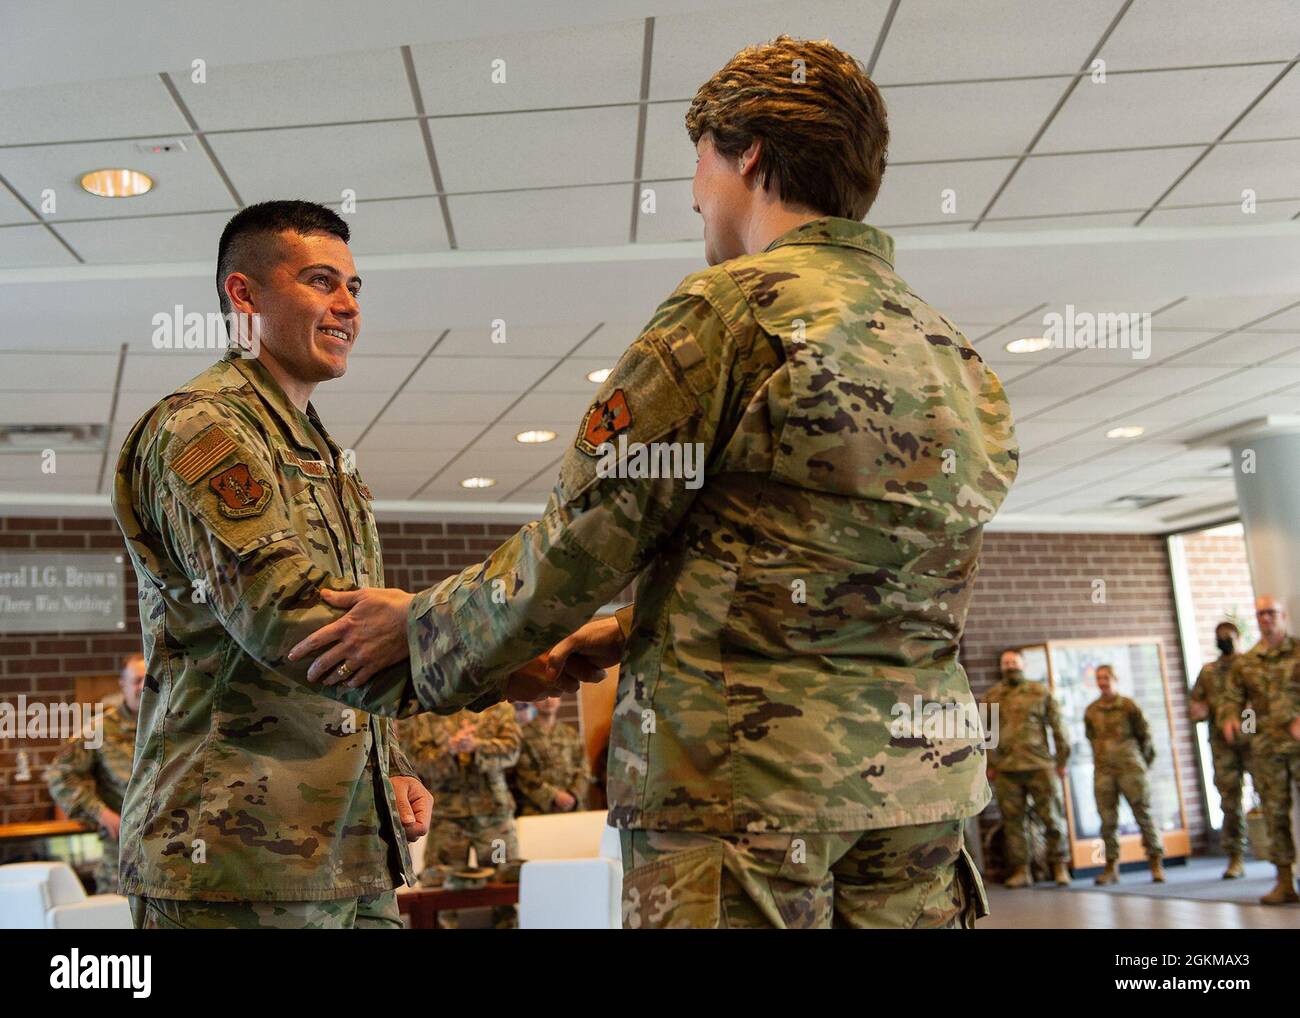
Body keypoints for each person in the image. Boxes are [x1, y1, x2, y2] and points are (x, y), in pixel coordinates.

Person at [289, 36, 1019, 929]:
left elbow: (584, 538)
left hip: (741, 788)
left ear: (746, 154)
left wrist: (424, 624)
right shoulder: (951, 351)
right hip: (922, 791)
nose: (695, 194)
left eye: (702, 162)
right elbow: (864, 579)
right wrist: (641, 628)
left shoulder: (727, 312)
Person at [113, 200, 464, 929]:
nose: (347, 307)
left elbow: (353, 624)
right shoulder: (204, 427)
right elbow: (292, 622)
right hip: (234, 864)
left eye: (354, 288)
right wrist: (503, 646)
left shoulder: (324, 455)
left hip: (351, 853)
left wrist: (388, 760)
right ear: (245, 295)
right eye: (321, 281)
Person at [396, 704, 521, 928]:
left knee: (504, 881)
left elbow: (512, 751)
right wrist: (449, 750)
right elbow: (413, 763)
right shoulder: (423, 711)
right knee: (441, 887)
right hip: (448, 817)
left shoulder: (497, 706)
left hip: (494, 817)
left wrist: (477, 746)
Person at [1221, 596, 1300, 905]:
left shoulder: (1297, 652)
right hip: (1267, 748)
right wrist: (1231, 718)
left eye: (1271, 613)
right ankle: (1284, 881)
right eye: (1260, 614)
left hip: (1298, 743)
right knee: (1274, 812)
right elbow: (1233, 698)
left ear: (1283, 616)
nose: (1266, 619)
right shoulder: (1248, 661)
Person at [45, 653, 145, 893]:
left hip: (170, 855)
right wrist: (100, 813)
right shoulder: (99, 729)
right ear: (123, 684)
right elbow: (60, 774)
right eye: (137, 680)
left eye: (149, 679)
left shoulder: (171, 725)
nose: (143, 686)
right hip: (122, 859)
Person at [981, 650, 1071, 888]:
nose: (1010, 666)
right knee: (1013, 822)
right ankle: (1021, 870)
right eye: (1006, 662)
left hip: (1040, 766)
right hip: (1007, 770)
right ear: (1001, 666)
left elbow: (1059, 728)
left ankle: (1059, 865)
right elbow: (987, 735)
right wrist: (990, 764)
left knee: (1051, 818)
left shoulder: (1040, 692)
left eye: (1014, 661)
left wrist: (1062, 761)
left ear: (1023, 664)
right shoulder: (991, 696)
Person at [1084, 665, 1164, 885]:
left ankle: (1156, 862)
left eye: (1106, 677)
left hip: (1130, 768)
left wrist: (1143, 764)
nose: (1103, 682)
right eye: (1099, 678)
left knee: (1143, 815)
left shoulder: (1128, 706)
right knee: (1107, 821)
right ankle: (1111, 866)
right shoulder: (1091, 710)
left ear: (1115, 679)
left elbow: (1145, 736)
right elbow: (1091, 738)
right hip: (1104, 771)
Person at [1189, 620, 1249, 879]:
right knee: (1229, 800)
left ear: (1237, 636)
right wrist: (1198, 711)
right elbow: (1196, 705)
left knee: (1272, 796)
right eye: (1219, 636)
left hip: (1255, 741)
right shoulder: (1209, 672)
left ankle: (1282, 859)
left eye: (1227, 635)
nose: (1223, 639)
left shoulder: (1250, 666)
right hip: (1221, 745)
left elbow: (1264, 701)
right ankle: (1236, 857)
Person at [512, 696, 591, 815]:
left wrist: (573, 795)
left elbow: (584, 768)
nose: (548, 700)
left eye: (553, 695)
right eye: (543, 696)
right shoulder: (523, 735)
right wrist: (554, 797)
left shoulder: (570, 733)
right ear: (533, 701)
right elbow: (525, 775)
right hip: (538, 810)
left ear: (560, 699)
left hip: (573, 808)